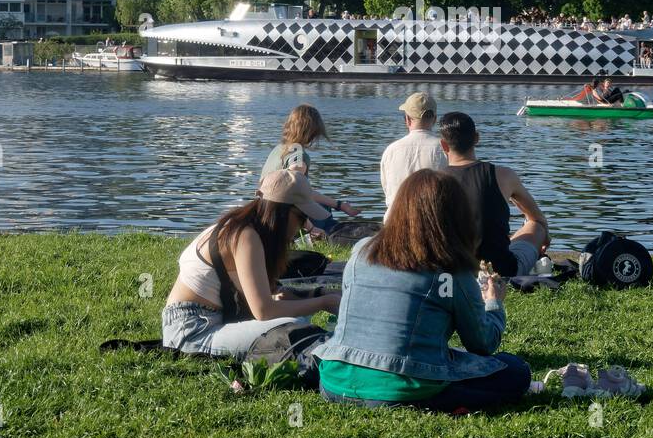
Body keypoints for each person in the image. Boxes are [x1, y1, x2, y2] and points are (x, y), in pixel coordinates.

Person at [314, 169, 531, 412]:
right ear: (455, 215)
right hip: (398, 389)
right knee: (515, 370)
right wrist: (494, 303)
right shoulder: (450, 269)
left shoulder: (362, 251)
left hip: (334, 381)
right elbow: (482, 344)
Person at [163, 170, 341, 357]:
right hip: (192, 332)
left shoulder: (246, 228)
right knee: (295, 328)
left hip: (208, 322)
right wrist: (323, 302)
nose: (303, 227)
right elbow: (264, 310)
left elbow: (275, 293)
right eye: (302, 218)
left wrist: (318, 294)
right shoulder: (245, 236)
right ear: (283, 212)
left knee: (298, 320)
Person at [438, 112, 548, 276]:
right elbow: (537, 219)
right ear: (476, 138)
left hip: (452, 270)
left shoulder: (432, 181)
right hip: (500, 270)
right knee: (536, 227)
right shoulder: (504, 175)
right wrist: (545, 241)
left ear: (443, 145)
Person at [261, 104, 362, 233]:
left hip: (265, 211)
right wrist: (312, 229)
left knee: (324, 206)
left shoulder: (278, 149)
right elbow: (291, 195)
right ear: (312, 132)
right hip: (282, 217)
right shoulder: (299, 158)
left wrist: (340, 205)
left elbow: (303, 193)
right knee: (328, 218)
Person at [379, 92, 448, 222]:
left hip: (395, 222)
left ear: (407, 119)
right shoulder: (445, 149)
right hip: (433, 224)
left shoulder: (391, 150)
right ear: (434, 119)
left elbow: (387, 190)